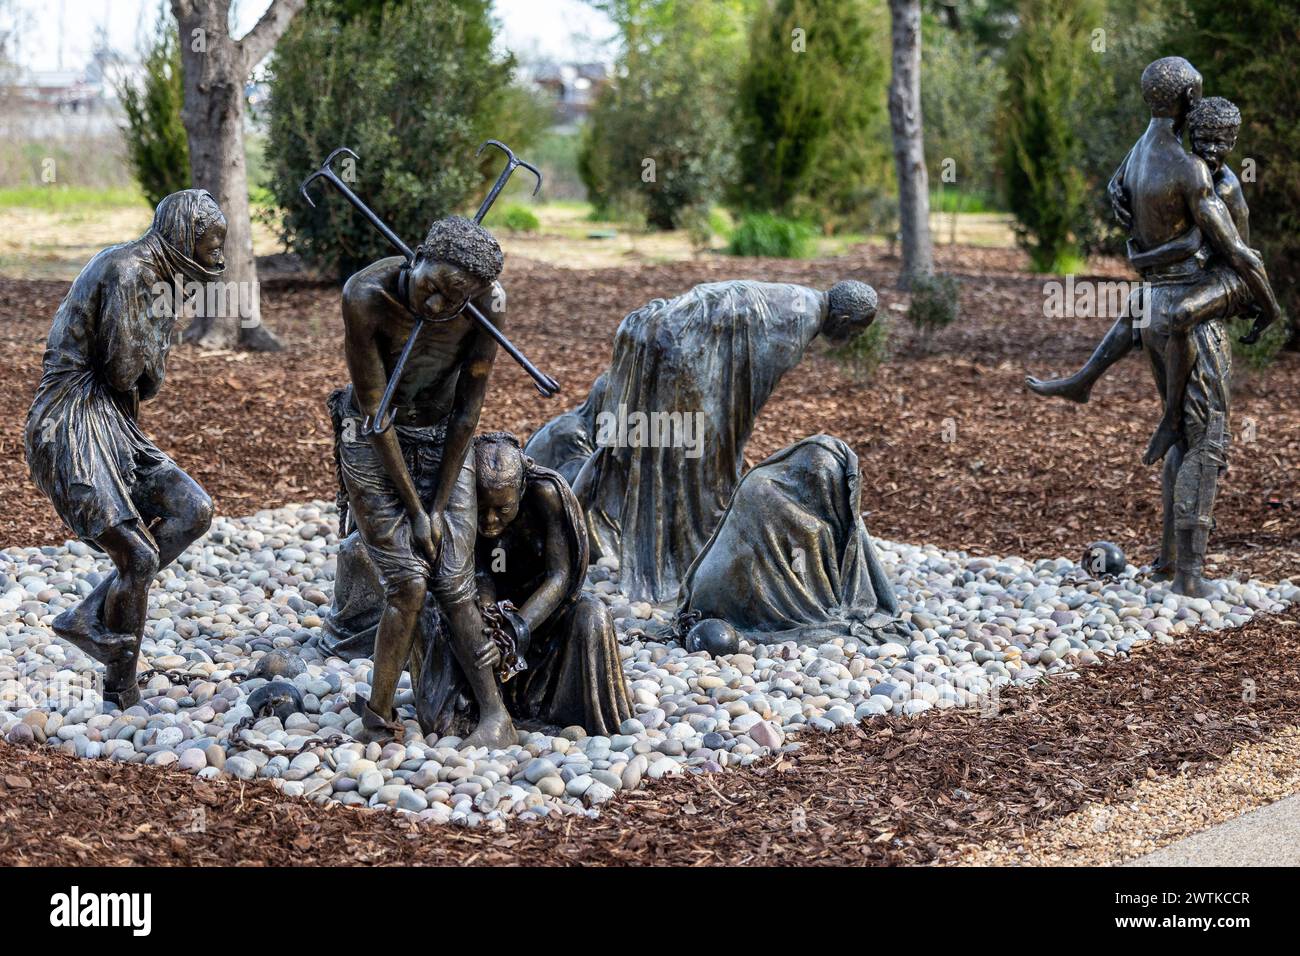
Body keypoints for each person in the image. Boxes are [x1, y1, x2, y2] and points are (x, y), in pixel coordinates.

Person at [1027, 58, 1283, 596]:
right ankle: (1190, 575)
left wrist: (1142, 256)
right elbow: (1237, 253)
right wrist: (1270, 306)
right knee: (1206, 438)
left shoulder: (1135, 158)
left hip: (1151, 307)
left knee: (1179, 437)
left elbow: (1122, 202)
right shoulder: (1193, 169)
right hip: (1189, 304)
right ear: (1190, 97)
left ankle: (1168, 560)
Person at [530, 278, 879, 603]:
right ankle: (671, 557)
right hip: (674, 356)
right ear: (845, 319)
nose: (849, 341)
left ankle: (560, 536)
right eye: (854, 333)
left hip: (650, 336)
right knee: (678, 458)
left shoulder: (794, 297)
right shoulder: (798, 325)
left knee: (625, 447)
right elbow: (741, 402)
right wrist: (725, 451)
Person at [25, 189, 224, 710]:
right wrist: (150, 356)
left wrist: (149, 355)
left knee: (193, 510)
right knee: (137, 553)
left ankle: (87, 614)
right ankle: (122, 690)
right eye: (211, 244)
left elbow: (144, 379)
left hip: (112, 419)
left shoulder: (160, 281)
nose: (219, 257)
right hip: (71, 419)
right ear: (185, 238)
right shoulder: (130, 271)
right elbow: (124, 371)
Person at [337, 215, 514, 747]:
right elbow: (375, 412)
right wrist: (417, 512)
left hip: (444, 440)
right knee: (408, 583)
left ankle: (495, 716)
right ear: (415, 256)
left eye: (454, 301)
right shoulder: (364, 296)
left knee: (454, 581)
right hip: (372, 440)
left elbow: (466, 414)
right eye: (431, 288)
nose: (436, 307)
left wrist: (438, 505)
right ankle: (378, 712)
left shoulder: (489, 306)